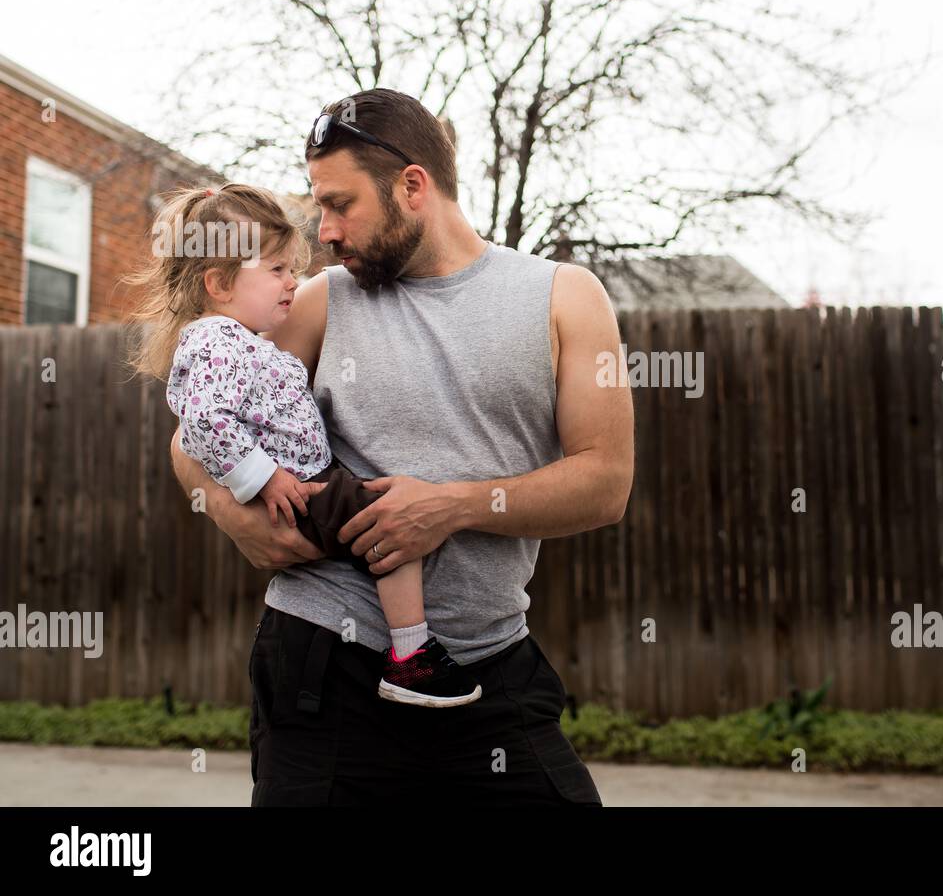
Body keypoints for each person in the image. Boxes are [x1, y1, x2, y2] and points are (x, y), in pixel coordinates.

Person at [168, 88, 635, 806]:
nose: (324, 231)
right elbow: (193, 431)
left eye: (339, 204)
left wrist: (450, 508)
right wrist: (239, 521)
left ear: (412, 185)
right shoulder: (321, 300)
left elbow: (605, 483)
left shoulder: (563, 297)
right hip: (324, 665)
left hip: (485, 667)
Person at [130, 183, 482, 708]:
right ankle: (412, 656)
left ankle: (411, 650)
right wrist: (262, 480)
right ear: (219, 283)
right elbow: (203, 421)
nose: (292, 282)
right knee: (389, 522)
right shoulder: (213, 340)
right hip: (298, 489)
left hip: (311, 474)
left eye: (290, 269)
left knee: (383, 517)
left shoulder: (241, 340)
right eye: (276, 270)